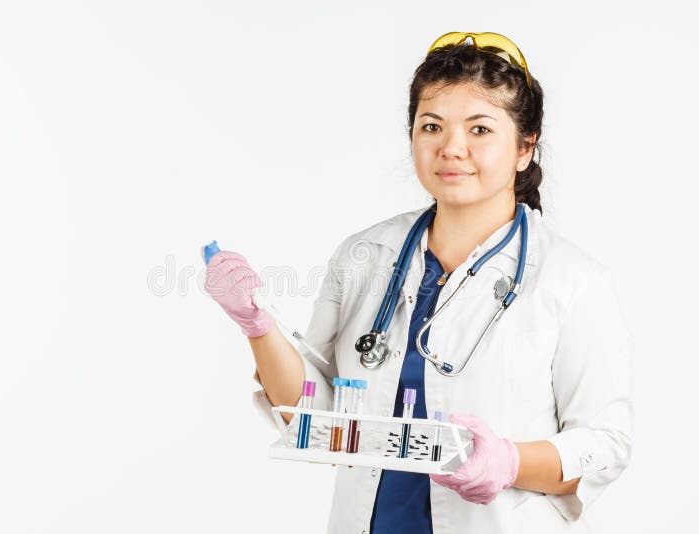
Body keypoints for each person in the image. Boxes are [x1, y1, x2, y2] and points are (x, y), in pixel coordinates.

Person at [204, 32, 632, 534]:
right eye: (432, 126)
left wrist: (510, 462)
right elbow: (316, 419)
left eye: (479, 129)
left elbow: (606, 446)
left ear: (524, 148)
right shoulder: (365, 256)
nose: (452, 148)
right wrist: (257, 325)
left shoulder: (572, 280)